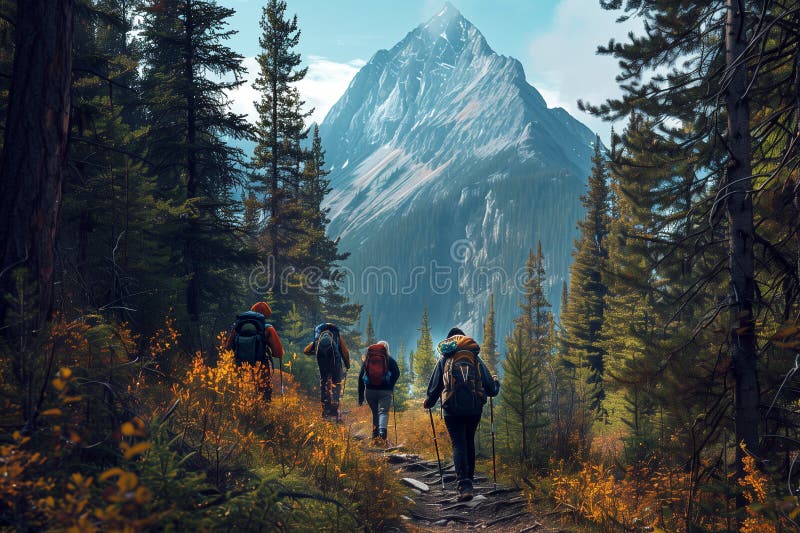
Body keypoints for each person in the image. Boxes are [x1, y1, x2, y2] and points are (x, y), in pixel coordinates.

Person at [423, 327, 499, 501]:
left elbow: (434, 388)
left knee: (458, 444)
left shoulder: (445, 359)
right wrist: (496, 383)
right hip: (474, 409)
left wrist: (428, 402)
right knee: (469, 442)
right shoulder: (475, 359)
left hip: (452, 410)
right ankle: (469, 484)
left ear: (450, 342)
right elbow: (491, 389)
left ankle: (463, 485)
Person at [225, 301, 284, 401]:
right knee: (264, 395)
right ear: (266, 315)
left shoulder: (238, 327)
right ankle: (262, 414)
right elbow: (278, 353)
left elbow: (227, 347)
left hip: (240, 365)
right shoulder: (268, 328)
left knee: (240, 394)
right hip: (260, 366)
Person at [304, 323, 351, 420]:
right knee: (336, 383)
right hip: (335, 365)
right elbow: (346, 353)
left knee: (324, 383)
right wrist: (347, 365)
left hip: (323, 364)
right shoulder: (337, 337)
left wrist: (315, 351)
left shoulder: (318, 339)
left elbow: (306, 351)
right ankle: (334, 412)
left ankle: (325, 411)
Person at [358, 340, 400, 442]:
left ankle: (375, 435)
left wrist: (361, 397)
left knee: (375, 413)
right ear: (386, 349)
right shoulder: (390, 360)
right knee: (383, 412)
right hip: (385, 391)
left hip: (370, 391)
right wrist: (390, 385)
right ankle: (382, 434)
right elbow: (397, 373)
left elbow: (360, 377)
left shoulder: (368, 359)